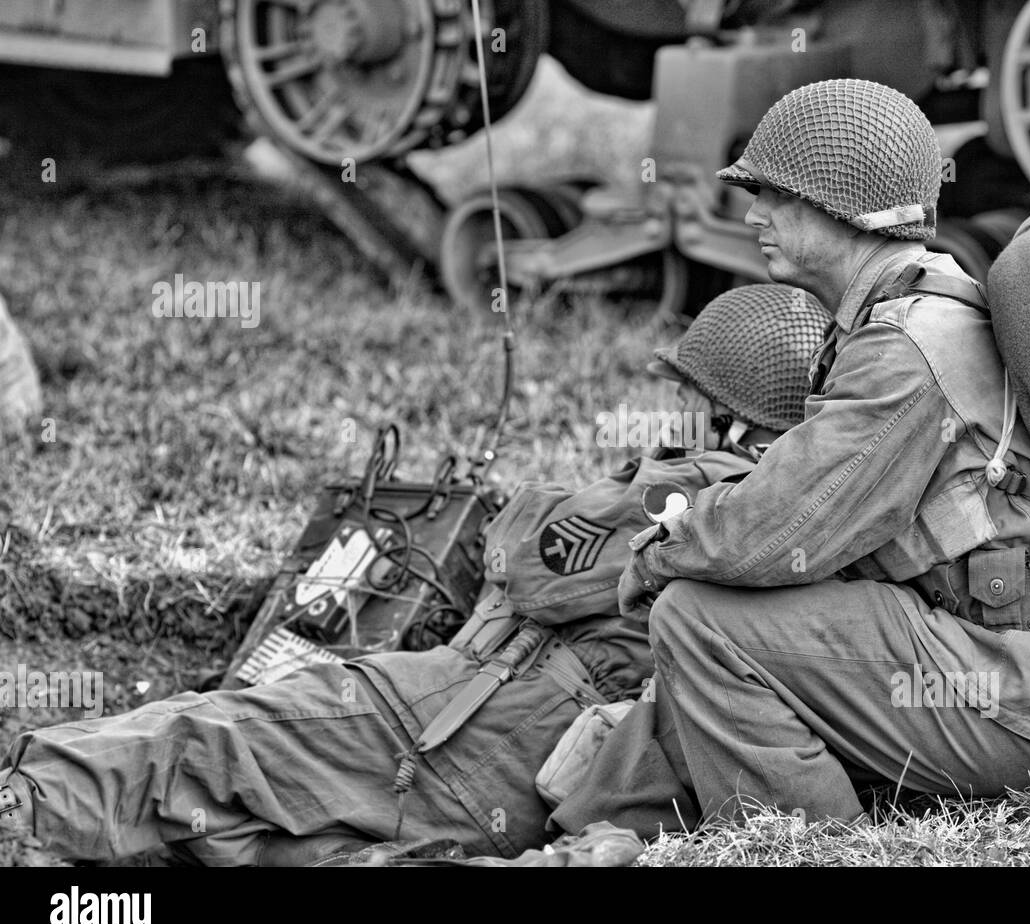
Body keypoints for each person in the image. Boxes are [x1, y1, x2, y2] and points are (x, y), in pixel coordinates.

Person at [0, 284, 830, 865]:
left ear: (731, 417)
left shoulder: (693, 496)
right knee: (236, 837)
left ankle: (20, 810)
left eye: (687, 396)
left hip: (460, 725)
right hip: (512, 769)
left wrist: (639, 479)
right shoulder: (786, 517)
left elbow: (523, 558)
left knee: (205, 739)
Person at [607, 79, 1030, 830]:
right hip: (1003, 665)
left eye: (776, 196)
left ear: (846, 207)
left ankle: (800, 841)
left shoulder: (907, 346)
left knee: (696, 618)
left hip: (1014, 702)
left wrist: (660, 553)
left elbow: (780, 529)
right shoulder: (909, 313)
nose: (752, 215)